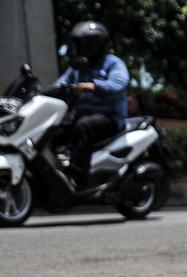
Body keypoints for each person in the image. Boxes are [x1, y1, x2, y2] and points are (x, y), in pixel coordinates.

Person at [55, 21, 129, 182]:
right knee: (54, 129)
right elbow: (60, 84)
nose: (79, 48)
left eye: (83, 44)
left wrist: (93, 86)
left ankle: (77, 177)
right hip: (81, 115)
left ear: (96, 44)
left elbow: (118, 84)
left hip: (109, 118)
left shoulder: (113, 63)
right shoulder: (77, 67)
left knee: (84, 126)